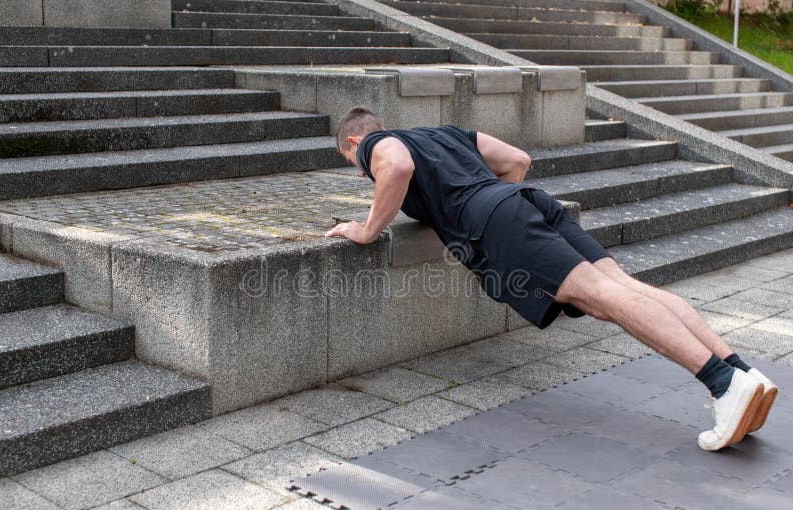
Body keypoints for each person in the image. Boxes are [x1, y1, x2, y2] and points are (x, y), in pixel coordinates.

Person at [324, 106, 777, 452]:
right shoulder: (440, 133)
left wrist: (366, 230)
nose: (363, 171)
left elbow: (396, 167)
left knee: (604, 299)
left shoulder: (375, 143)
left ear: (353, 138)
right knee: (627, 288)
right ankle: (743, 374)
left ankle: (722, 383)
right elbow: (516, 159)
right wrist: (498, 199)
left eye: (354, 161)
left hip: (499, 219)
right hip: (524, 198)